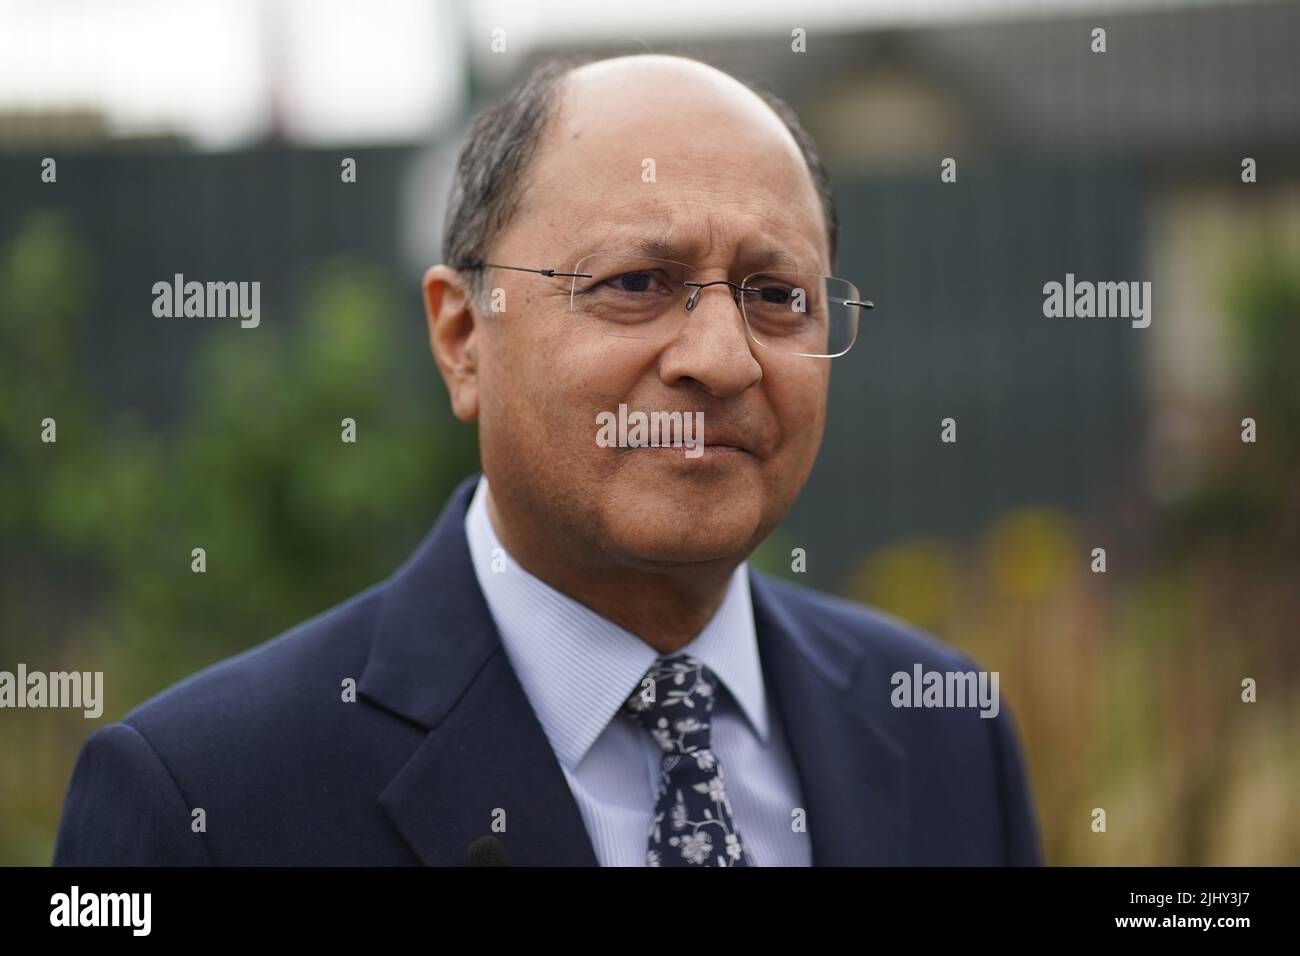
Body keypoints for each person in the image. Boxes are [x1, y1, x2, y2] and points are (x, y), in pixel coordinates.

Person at [54, 53, 1040, 867]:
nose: (720, 357)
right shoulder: (204, 798)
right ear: (461, 336)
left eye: (775, 293)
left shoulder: (943, 732)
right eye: (637, 282)